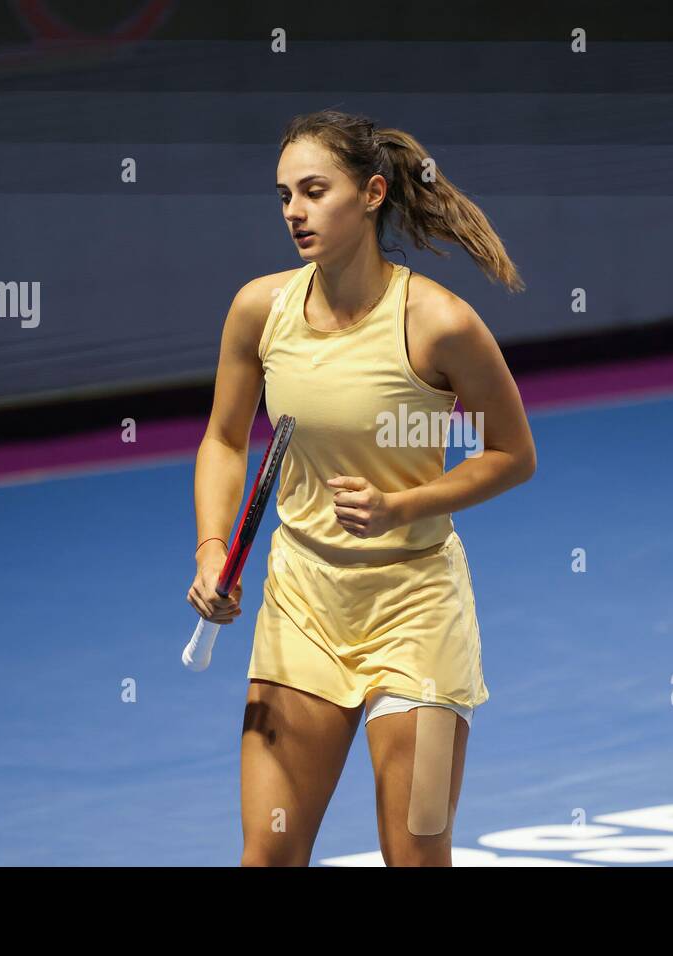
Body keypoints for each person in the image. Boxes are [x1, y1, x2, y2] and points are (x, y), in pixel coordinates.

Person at [188, 109, 536, 866]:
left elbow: (512, 454)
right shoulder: (259, 311)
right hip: (301, 610)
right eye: (284, 196)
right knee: (268, 857)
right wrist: (213, 549)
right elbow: (222, 439)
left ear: (373, 192)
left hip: (419, 616)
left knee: (416, 854)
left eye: (314, 191)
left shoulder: (440, 324)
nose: (294, 212)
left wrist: (400, 508)